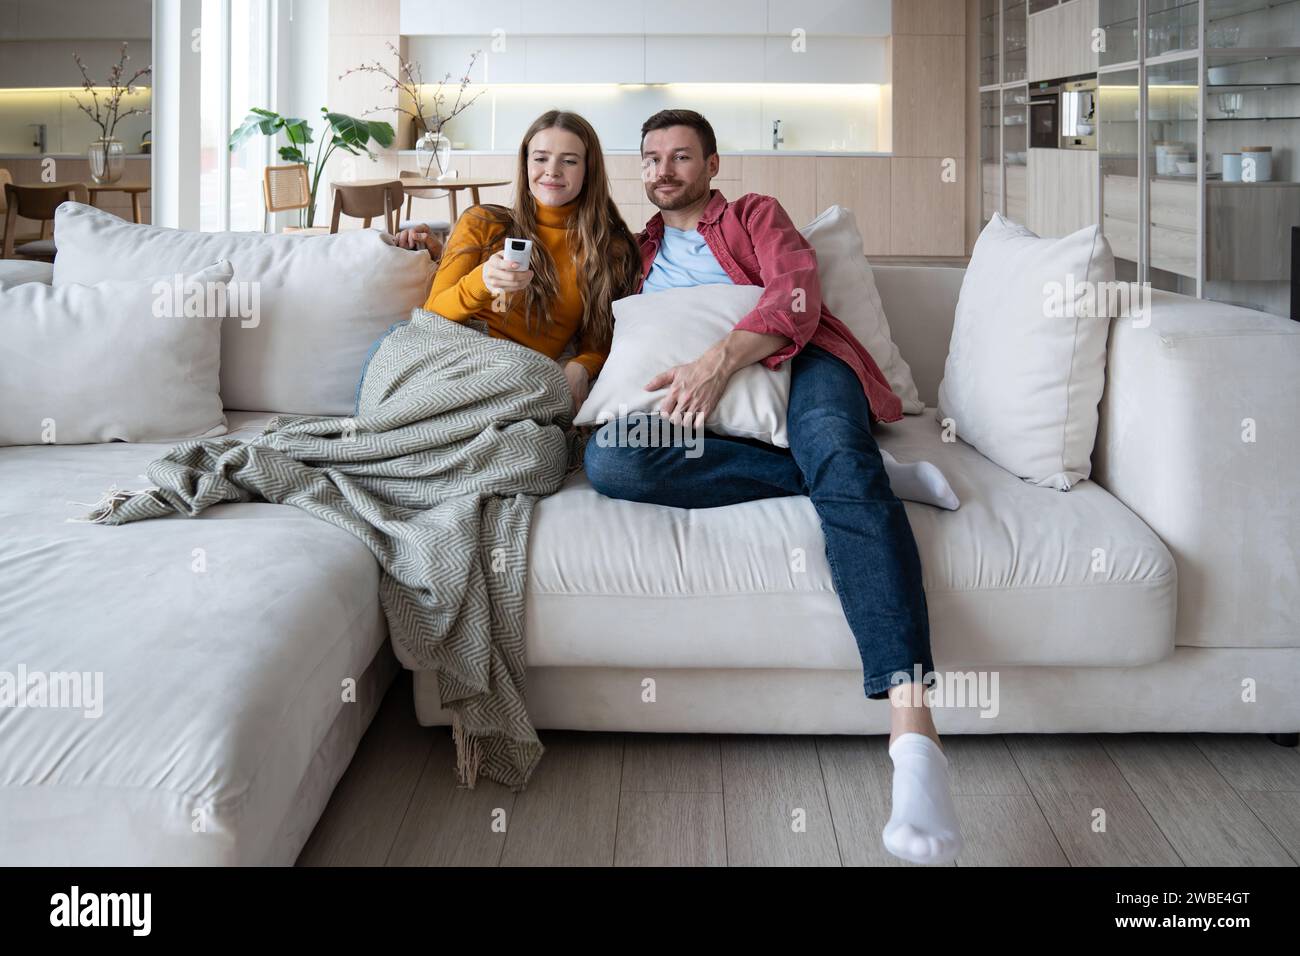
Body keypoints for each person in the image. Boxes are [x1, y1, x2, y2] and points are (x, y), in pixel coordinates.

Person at [582, 109, 963, 865]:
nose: (663, 170)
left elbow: (796, 296)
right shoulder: (636, 253)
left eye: (681, 156)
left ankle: (915, 741)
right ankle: (856, 474)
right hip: (710, 405)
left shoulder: (753, 215)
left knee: (838, 457)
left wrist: (719, 362)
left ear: (713, 164)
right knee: (614, 459)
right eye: (651, 158)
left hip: (802, 365)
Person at [360, 109, 642, 413]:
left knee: (532, 451)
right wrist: (482, 281)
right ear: (525, 163)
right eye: (540, 158)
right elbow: (432, 315)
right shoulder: (483, 222)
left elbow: (599, 340)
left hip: (519, 376)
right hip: (442, 354)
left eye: (570, 161)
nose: (552, 170)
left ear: (589, 170)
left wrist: (581, 367)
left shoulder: (608, 248)